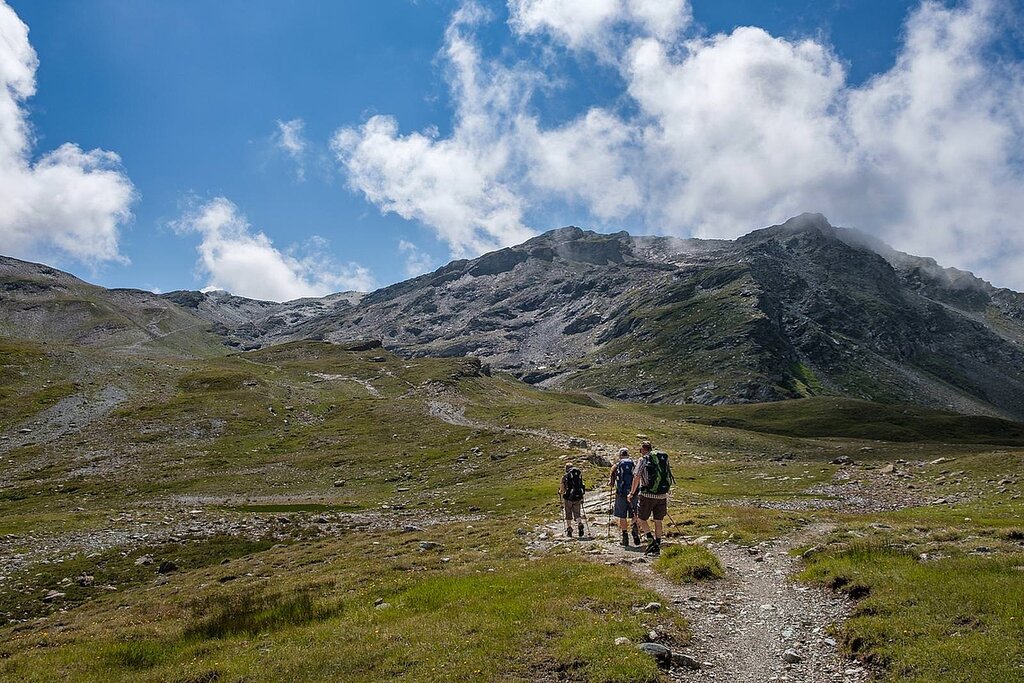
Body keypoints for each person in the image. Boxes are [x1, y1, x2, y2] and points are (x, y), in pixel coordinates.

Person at [627, 441, 674, 555]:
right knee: (658, 520)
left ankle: (651, 540)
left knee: (642, 518)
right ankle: (657, 544)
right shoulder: (662, 459)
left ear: (643, 449)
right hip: (662, 495)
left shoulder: (643, 460)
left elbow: (637, 476)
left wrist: (632, 493)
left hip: (647, 495)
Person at [608, 447, 642, 547]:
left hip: (621, 494)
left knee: (622, 515)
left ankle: (624, 536)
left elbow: (611, 483)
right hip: (633, 493)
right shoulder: (633, 464)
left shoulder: (616, 466)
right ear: (628, 454)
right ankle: (635, 530)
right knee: (634, 513)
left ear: (620, 455)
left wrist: (612, 483)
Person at [559, 462, 586, 537]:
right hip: (578, 497)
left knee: (568, 513)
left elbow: (562, 490)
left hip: (568, 498)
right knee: (577, 513)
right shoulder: (578, 475)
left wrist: (560, 492)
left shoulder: (565, 476)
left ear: (566, 469)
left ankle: (569, 528)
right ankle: (579, 523)